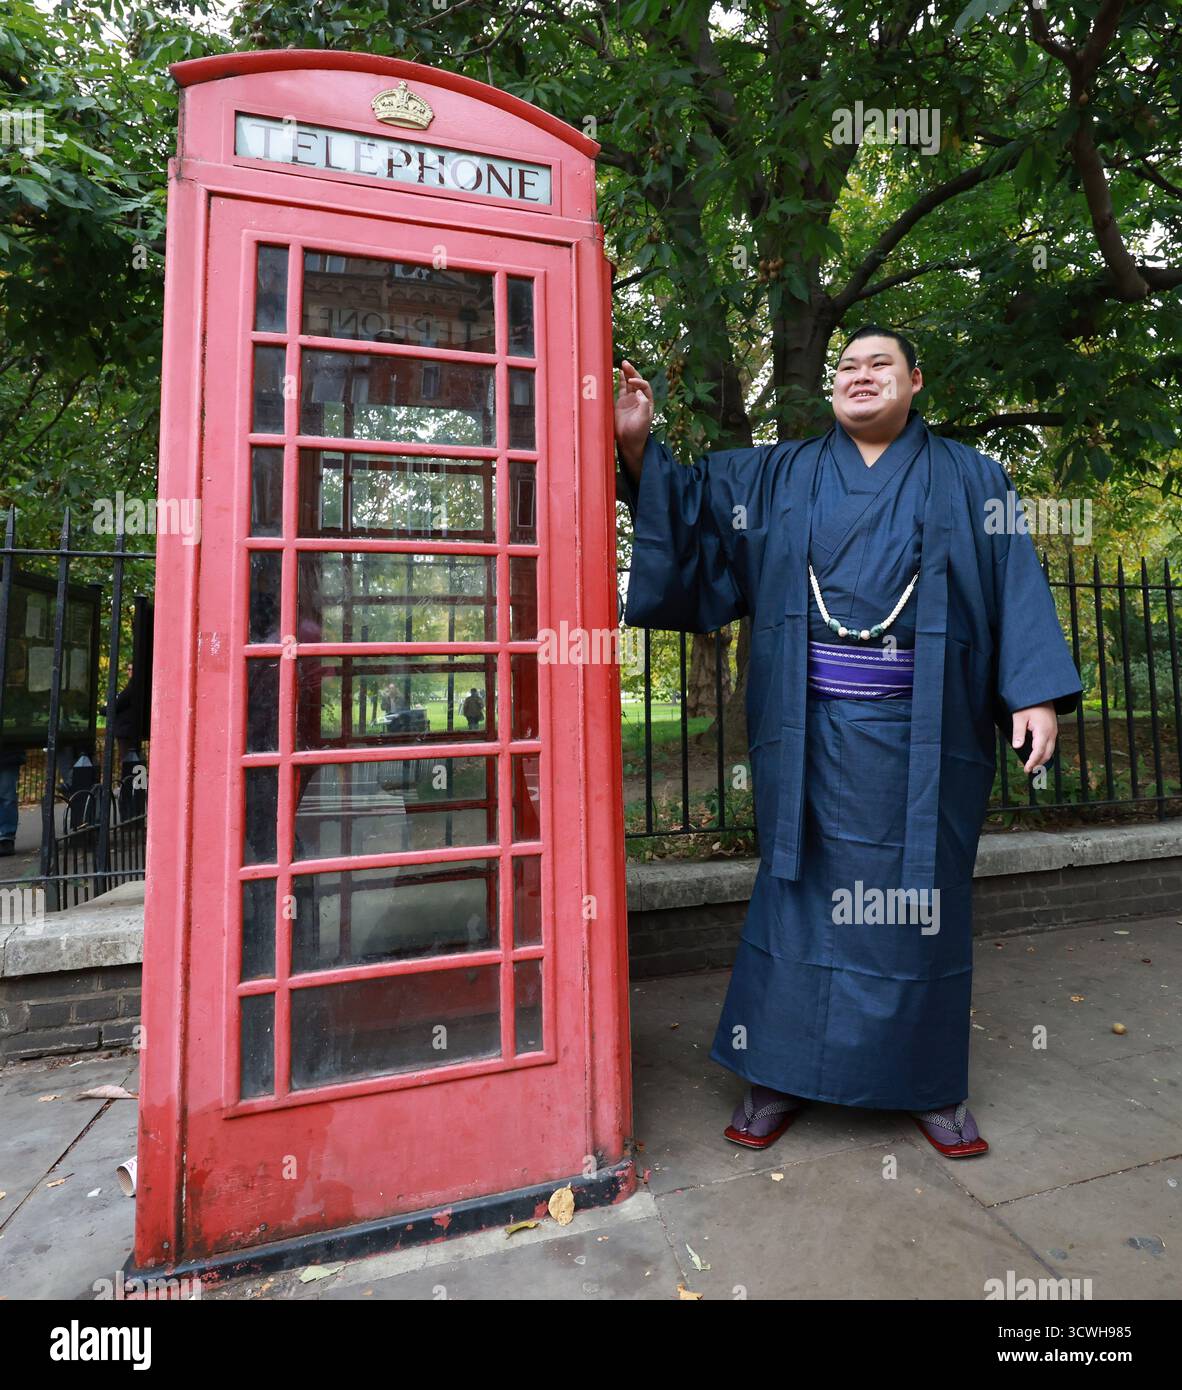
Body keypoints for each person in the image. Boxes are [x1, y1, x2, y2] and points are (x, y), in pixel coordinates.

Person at [614, 326, 1082, 1158]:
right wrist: (639, 443)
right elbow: (685, 509)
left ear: (916, 383)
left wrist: (1037, 691)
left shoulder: (973, 479)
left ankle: (929, 1085)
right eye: (846, 367)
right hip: (809, 731)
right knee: (799, 900)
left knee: (920, 902)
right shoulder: (777, 473)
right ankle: (777, 1076)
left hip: (924, 736)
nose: (859, 377)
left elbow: (1017, 578)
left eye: (879, 366)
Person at [0, 745, 26, 856]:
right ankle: (6, 838)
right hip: (9, 754)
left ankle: (6, 838)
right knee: (7, 797)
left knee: (7, 797)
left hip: (8, 754)